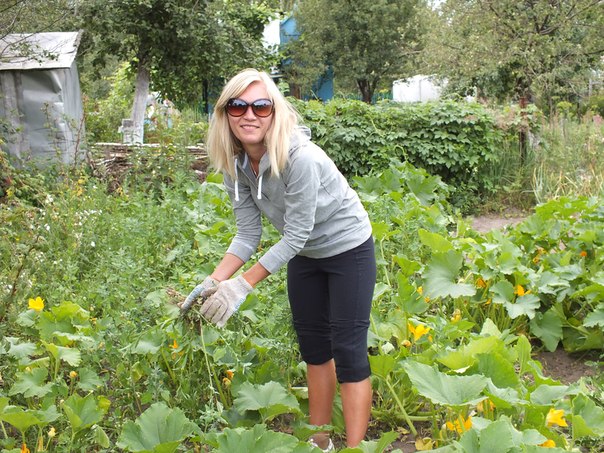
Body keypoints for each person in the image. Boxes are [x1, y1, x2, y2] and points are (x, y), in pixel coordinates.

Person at [181, 68, 376, 450]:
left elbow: (296, 233)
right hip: (305, 255)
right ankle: (320, 443)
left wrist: (242, 285)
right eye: (237, 106)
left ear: (275, 112)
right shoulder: (236, 166)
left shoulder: (300, 158)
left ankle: (356, 449)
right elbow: (247, 235)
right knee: (315, 349)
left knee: (348, 350)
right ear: (225, 114)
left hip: (348, 249)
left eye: (260, 106)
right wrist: (214, 281)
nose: (249, 115)